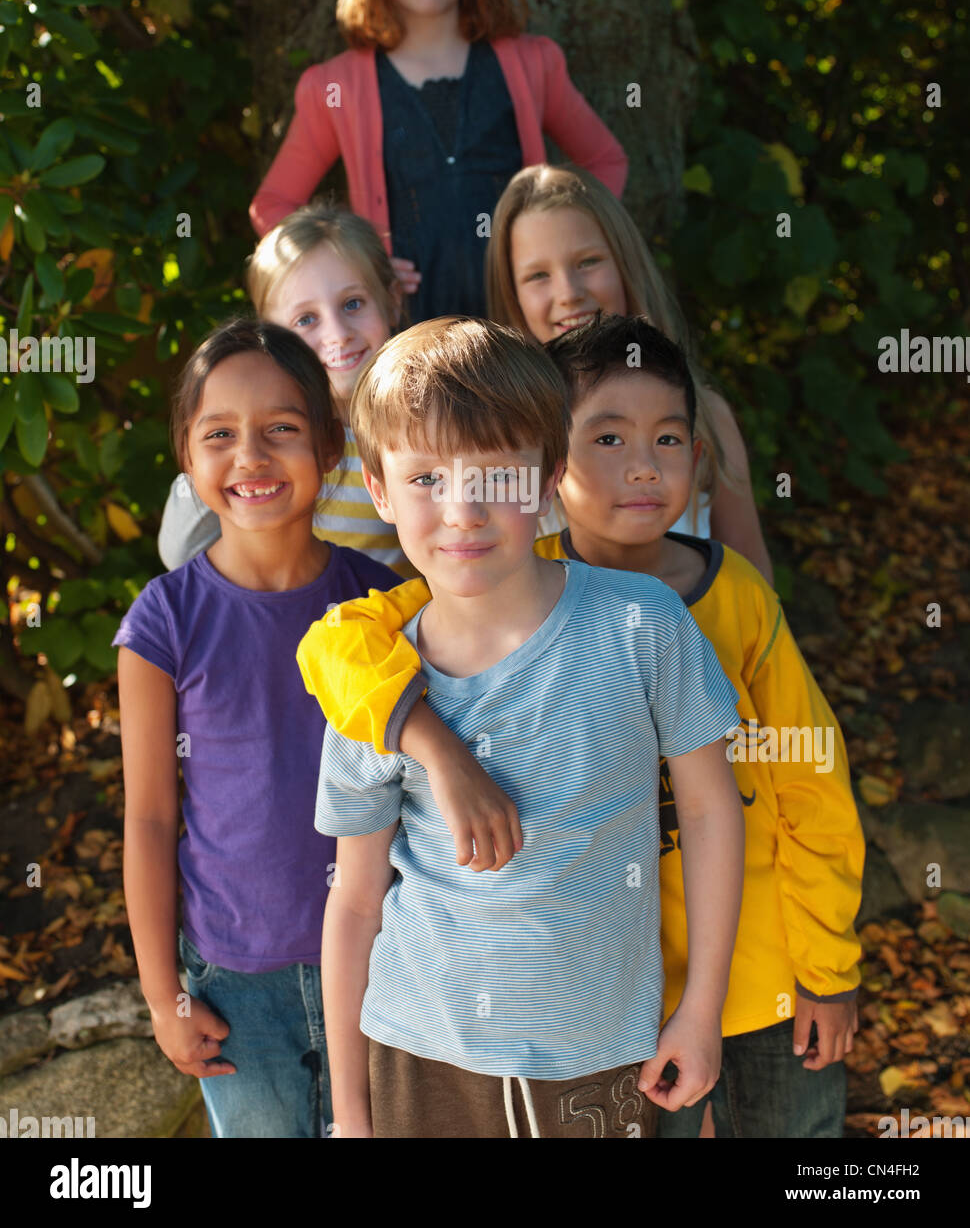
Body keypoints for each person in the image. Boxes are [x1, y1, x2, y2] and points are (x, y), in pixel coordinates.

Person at [302, 313, 865, 1138]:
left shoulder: (644, 625)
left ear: (545, 477)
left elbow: (713, 813)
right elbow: (353, 905)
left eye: (493, 475)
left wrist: (700, 1013)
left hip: (600, 1053)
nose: (461, 510)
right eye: (425, 480)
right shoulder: (376, 680)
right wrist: (351, 1116)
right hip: (418, 1054)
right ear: (380, 490)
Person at [114, 318, 402, 1138]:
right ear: (187, 457)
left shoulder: (384, 605)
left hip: (384, 959)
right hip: (235, 980)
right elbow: (148, 818)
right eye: (220, 435)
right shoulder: (164, 623)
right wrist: (162, 993)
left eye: (282, 429)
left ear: (332, 447)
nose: (251, 456)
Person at [250, 0, 627, 323]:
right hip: (410, 341)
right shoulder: (336, 87)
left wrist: (561, 254)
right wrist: (355, 266)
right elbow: (273, 205)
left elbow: (605, 160)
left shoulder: (532, 64)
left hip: (523, 335)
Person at [486, 163, 772, 579]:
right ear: (511, 295)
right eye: (538, 275)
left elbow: (754, 583)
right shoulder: (495, 435)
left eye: (587, 262)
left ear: (625, 265)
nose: (569, 293)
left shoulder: (707, 419)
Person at [157, 205, 411, 577]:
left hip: (396, 629)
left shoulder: (419, 426)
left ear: (393, 301)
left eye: (353, 304)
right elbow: (181, 552)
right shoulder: (261, 441)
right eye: (306, 319)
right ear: (271, 339)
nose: (338, 334)